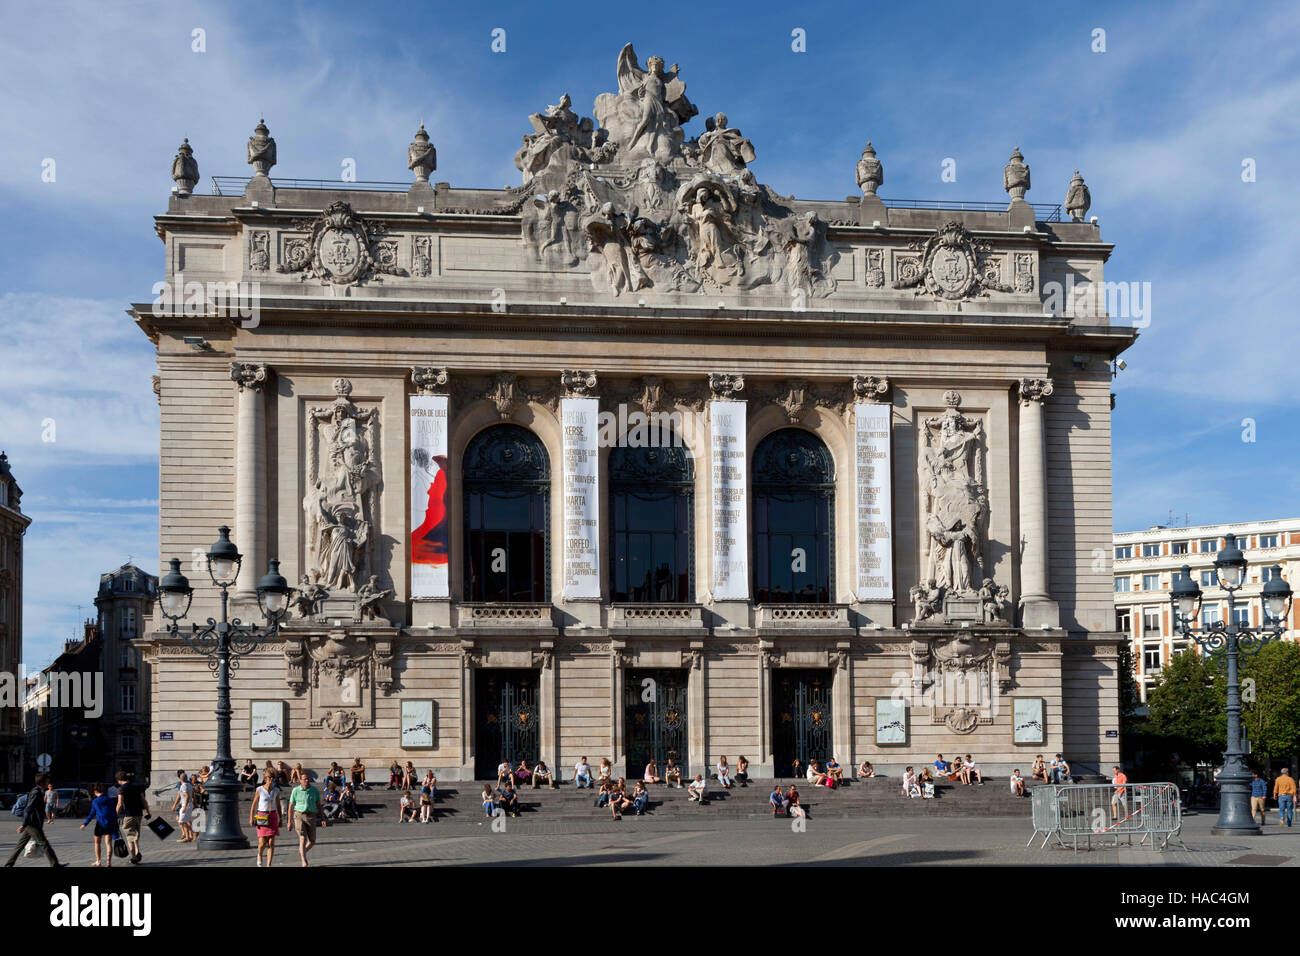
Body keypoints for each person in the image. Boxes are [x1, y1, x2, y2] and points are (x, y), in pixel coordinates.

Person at [4, 773, 63, 867]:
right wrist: (24, 824)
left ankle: (9, 864)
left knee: (20, 845)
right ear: (42, 782)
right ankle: (55, 864)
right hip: (33, 823)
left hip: (32, 822)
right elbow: (28, 808)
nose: (49, 783)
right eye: (47, 781)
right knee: (44, 843)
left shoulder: (39, 792)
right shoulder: (36, 792)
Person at [115, 771, 150, 865]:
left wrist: (115, 815)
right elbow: (143, 800)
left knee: (130, 836)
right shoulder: (137, 787)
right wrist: (148, 811)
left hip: (129, 815)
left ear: (119, 780)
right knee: (136, 834)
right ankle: (138, 852)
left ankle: (134, 857)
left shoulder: (121, 789)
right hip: (139, 814)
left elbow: (119, 804)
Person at [80, 783, 119, 867]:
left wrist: (84, 824)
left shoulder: (95, 801)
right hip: (109, 823)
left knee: (97, 843)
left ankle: (98, 861)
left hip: (100, 824)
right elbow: (114, 813)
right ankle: (109, 862)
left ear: (95, 791)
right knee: (108, 843)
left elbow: (91, 814)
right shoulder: (109, 800)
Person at [288, 770, 323, 866]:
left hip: (311, 815)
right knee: (302, 838)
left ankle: (302, 851)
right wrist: (289, 821)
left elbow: (318, 804)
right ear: (300, 780)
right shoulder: (295, 790)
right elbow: (291, 806)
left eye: (308, 779)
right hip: (299, 815)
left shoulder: (314, 790)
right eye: (304, 779)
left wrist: (323, 817)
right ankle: (304, 861)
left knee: (312, 841)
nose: (307, 781)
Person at [249, 770, 283, 867]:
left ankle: (269, 864)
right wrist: (251, 818)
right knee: (262, 843)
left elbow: (278, 805)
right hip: (261, 816)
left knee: (271, 842)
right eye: (269, 778)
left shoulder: (276, 790)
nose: (271, 779)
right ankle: (259, 854)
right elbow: (254, 805)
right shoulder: (259, 789)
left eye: (272, 778)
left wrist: (281, 819)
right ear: (265, 779)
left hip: (272, 816)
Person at [171, 769, 196, 842]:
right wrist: (195, 804)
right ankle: (188, 836)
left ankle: (191, 834)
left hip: (185, 805)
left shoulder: (183, 786)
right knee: (186, 820)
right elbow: (193, 795)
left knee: (181, 822)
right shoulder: (189, 784)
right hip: (189, 804)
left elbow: (187, 796)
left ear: (180, 778)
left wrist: (184, 806)